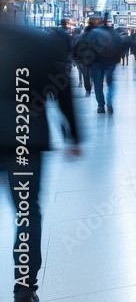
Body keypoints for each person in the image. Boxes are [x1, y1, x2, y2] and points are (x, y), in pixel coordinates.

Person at [0, 21, 83, 302]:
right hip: (25, 138)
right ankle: (24, 288)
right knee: (26, 213)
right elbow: (62, 89)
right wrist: (72, 134)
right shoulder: (39, 41)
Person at [75, 14, 123, 114]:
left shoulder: (93, 32)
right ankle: (109, 100)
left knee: (98, 84)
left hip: (96, 62)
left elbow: (84, 45)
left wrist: (83, 59)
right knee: (110, 83)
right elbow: (122, 45)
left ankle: (101, 106)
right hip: (111, 62)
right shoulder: (113, 33)